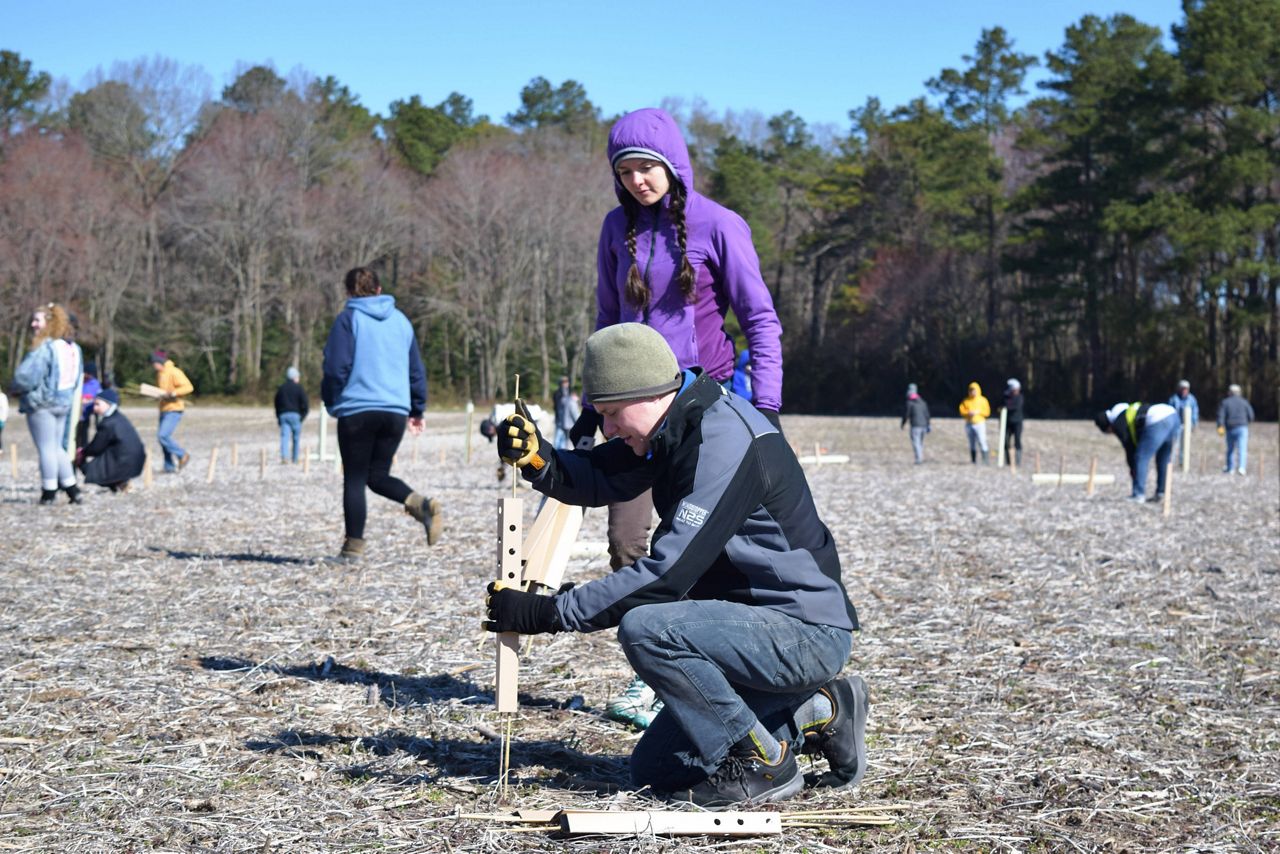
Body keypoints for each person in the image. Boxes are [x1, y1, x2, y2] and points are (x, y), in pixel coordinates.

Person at [488, 324, 868, 807]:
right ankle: (821, 708)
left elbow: (665, 576)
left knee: (648, 629)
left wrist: (551, 612)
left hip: (803, 631)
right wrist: (539, 460)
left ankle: (764, 763)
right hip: (744, 631)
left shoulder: (723, 442)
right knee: (658, 770)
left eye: (611, 414)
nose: (607, 429)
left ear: (650, 393)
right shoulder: (675, 425)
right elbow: (600, 475)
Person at [571, 107, 785, 728]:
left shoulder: (719, 224)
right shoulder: (615, 228)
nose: (637, 180)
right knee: (627, 540)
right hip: (634, 415)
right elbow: (608, 323)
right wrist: (593, 405)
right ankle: (654, 669)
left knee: (709, 548)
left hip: (705, 409)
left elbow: (760, 319)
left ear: (672, 165)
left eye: (647, 167)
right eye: (625, 171)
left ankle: (703, 672)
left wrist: (766, 409)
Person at [321, 266, 442, 562]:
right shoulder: (401, 321)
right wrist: (417, 409)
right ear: (379, 289)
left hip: (357, 410)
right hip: (395, 412)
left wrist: (332, 401)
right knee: (377, 476)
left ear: (349, 292)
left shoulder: (348, 318)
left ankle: (353, 548)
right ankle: (419, 504)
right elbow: (416, 370)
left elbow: (336, 368)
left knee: (354, 478)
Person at [11, 303, 83, 504]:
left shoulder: (45, 347)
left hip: (42, 404)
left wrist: (15, 387)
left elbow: (26, 376)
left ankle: (49, 491)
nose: (33, 324)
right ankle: (72, 488)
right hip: (63, 403)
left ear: (50, 322)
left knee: (46, 448)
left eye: (37, 320)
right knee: (57, 447)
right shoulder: (73, 348)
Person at [1095, 402, 1181, 501]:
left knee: (1141, 457)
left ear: (1108, 426)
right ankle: (1161, 492)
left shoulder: (1118, 423)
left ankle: (1138, 494)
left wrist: (1133, 468)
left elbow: (1130, 449)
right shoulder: (1127, 413)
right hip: (1173, 416)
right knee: (1163, 458)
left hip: (1158, 421)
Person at [79, 388, 145, 493]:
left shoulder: (108, 423)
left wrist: (82, 452)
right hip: (136, 462)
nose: (94, 408)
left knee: (86, 465)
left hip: (124, 462)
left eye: (97, 404)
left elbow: (96, 448)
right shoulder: (119, 418)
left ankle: (117, 482)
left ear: (109, 404)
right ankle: (119, 482)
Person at [151, 350, 194, 473]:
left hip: (174, 409)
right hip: (163, 409)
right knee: (162, 439)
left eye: (154, 363)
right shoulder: (160, 374)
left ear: (159, 362)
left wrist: (174, 393)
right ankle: (168, 467)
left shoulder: (175, 372)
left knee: (163, 436)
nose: (153, 365)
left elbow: (188, 387)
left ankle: (182, 455)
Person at [1216, 384, 1255, 476]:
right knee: (1242, 448)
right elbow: (1251, 415)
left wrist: (1220, 427)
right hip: (1242, 428)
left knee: (1230, 449)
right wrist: (1247, 422)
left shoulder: (1225, 402)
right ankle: (1241, 468)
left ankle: (1230, 468)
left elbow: (1221, 416)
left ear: (1230, 392)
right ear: (1239, 392)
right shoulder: (1244, 402)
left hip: (1230, 428)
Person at [274, 366, 309, 464]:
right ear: (294, 377)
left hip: (283, 415)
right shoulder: (299, 388)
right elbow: (305, 403)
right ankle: (295, 458)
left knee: (284, 437)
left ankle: (285, 457)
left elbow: (276, 402)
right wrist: (303, 415)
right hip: (295, 415)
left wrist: (278, 415)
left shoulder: (281, 388)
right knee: (296, 438)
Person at [958, 382, 991, 464]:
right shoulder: (966, 401)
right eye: (971, 390)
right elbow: (961, 411)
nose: (972, 392)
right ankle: (973, 460)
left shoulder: (983, 400)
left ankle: (985, 460)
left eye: (974, 390)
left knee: (982, 440)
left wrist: (978, 412)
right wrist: (968, 413)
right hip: (969, 423)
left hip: (979, 423)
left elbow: (987, 412)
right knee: (972, 442)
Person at [1168, 379, 1198, 465]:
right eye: (1182, 388)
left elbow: (1195, 412)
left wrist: (1194, 423)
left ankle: (1183, 462)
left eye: (1186, 389)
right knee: (1174, 444)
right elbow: (1169, 412)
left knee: (1185, 445)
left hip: (1187, 425)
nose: (1184, 391)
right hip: (1176, 425)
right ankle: (1171, 462)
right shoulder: (1173, 399)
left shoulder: (1192, 399)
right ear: (1179, 389)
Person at [901, 383, 930, 464]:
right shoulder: (922, 402)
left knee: (916, 442)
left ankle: (919, 459)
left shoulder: (909, 403)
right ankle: (920, 457)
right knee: (920, 443)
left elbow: (906, 414)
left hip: (915, 426)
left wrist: (903, 424)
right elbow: (927, 414)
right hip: (924, 425)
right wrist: (928, 424)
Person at [552, 376, 579, 451]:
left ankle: (561, 453)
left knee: (566, 440)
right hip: (560, 420)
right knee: (558, 440)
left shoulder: (570, 393)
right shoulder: (557, 394)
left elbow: (573, 409)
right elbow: (557, 407)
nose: (565, 383)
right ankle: (557, 453)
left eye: (566, 382)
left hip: (568, 421)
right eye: (563, 382)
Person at [1002, 378, 1025, 467]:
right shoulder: (1006, 396)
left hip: (1017, 422)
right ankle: (1008, 461)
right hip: (1007, 422)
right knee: (1006, 441)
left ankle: (1018, 461)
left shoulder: (1019, 397)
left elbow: (1014, 407)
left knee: (1017, 441)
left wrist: (1007, 407)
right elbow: (1002, 405)